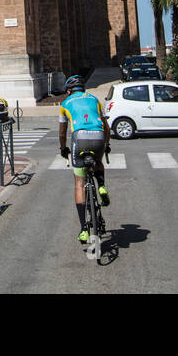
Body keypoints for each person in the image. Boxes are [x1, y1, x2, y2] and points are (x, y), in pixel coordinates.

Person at [58, 74, 110, 245]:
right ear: (84, 89)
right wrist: (106, 144)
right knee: (98, 162)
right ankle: (101, 186)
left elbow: (62, 132)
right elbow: (105, 124)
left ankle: (83, 229)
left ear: (68, 91)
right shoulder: (95, 100)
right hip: (99, 137)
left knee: (79, 182)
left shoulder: (65, 104)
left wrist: (63, 149)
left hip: (79, 139)